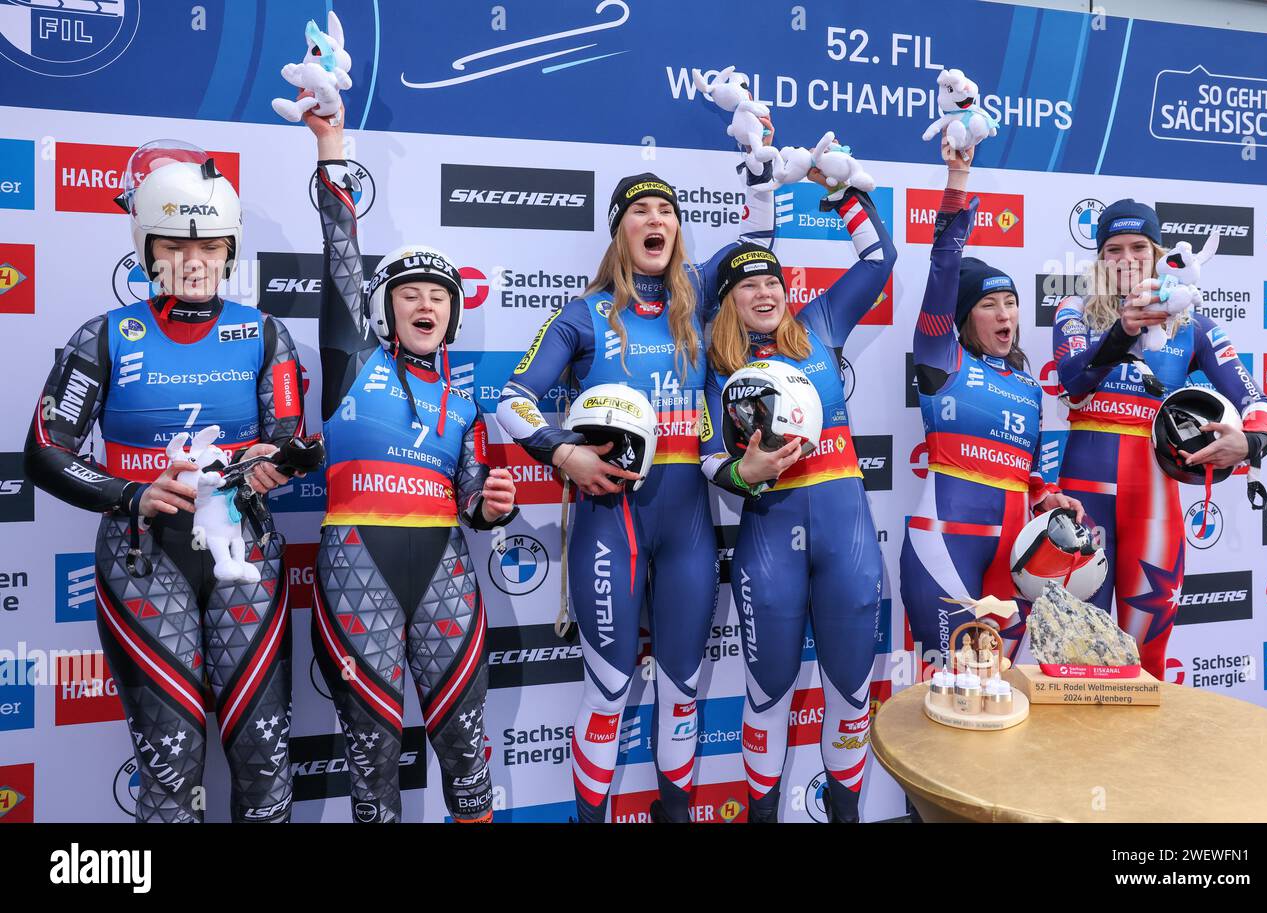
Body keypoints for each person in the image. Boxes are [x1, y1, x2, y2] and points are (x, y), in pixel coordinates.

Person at [495, 125, 778, 824]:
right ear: (619, 230)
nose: (658, 222)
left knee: (681, 688)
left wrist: (760, 159)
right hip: (608, 524)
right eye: (642, 212)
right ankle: (587, 817)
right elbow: (507, 398)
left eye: (669, 213)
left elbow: (758, 244)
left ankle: (673, 811)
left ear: (679, 232)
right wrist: (565, 454)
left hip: (687, 524)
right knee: (611, 686)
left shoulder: (699, 301)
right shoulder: (583, 314)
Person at [25, 140, 306, 822]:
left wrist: (279, 462)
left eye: (211, 245)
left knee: (264, 760)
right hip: (143, 558)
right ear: (146, 249)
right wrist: (133, 493)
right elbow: (43, 451)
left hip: (248, 557)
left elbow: (289, 439)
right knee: (168, 760)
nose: (195, 260)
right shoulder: (106, 335)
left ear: (229, 250)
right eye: (176, 245)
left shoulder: (266, 335)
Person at [304, 102, 517, 823]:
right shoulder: (348, 364)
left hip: (446, 576)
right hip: (355, 566)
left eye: (438, 297)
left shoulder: (464, 405)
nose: (425, 305)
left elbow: (475, 505)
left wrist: (494, 506)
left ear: (452, 316)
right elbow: (340, 251)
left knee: (464, 743)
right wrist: (333, 145)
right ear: (382, 309)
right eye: (410, 294)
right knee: (372, 753)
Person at [697, 158, 896, 824]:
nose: (764, 292)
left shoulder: (818, 324)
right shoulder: (711, 362)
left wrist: (841, 194)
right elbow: (704, 458)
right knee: (768, 699)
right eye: (747, 283)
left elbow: (878, 257)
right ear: (725, 298)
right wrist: (739, 474)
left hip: (848, 540)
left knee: (849, 695)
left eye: (772, 281)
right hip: (769, 542)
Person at [1052, 199, 1267, 676]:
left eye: (1139, 247)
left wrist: (1249, 443)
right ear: (1099, 260)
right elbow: (1073, 379)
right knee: (1075, 656)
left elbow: (1255, 399)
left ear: (1159, 255)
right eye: (1114, 249)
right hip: (1084, 500)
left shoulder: (1191, 324)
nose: (1127, 259)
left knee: (1143, 657)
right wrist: (1123, 328)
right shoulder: (1074, 310)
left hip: (1152, 501)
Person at [900, 141, 1082, 676]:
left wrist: (1052, 499)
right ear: (964, 317)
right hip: (944, 545)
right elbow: (942, 272)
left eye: (1011, 303)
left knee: (1002, 690)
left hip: (1014, 554)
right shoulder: (941, 357)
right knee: (949, 689)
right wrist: (957, 177)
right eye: (988, 303)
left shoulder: (1029, 387)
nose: (1005, 314)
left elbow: (1035, 481)